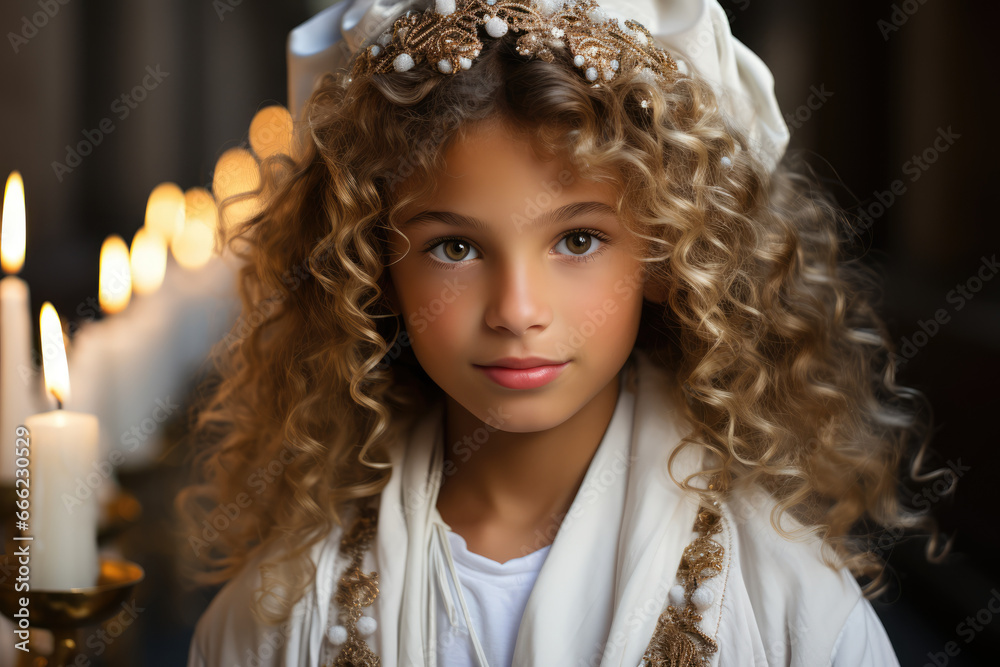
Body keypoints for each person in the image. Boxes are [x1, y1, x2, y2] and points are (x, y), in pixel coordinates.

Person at [182, 0, 950, 665]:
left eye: (578, 240)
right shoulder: (279, 617)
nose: (517, 310)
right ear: (372, 267)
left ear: (665, 253)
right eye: (455, 246)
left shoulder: (790, 608)